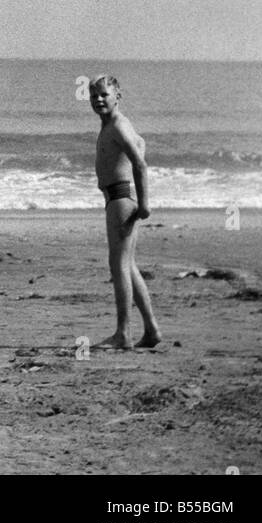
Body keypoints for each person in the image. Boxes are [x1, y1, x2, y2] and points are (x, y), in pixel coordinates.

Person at [90, 75, 161, 350]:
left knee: (118, 266)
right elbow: (141, 143)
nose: (98, 99)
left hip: (121, 200)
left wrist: (144, 204)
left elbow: (140, 164)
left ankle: (123, 333)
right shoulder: (113, 124)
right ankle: (152, 329)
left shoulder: (118, 124)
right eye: (93, 95)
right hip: (117, 199)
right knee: (128, 267)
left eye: (104, 94)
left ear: (117, 95)